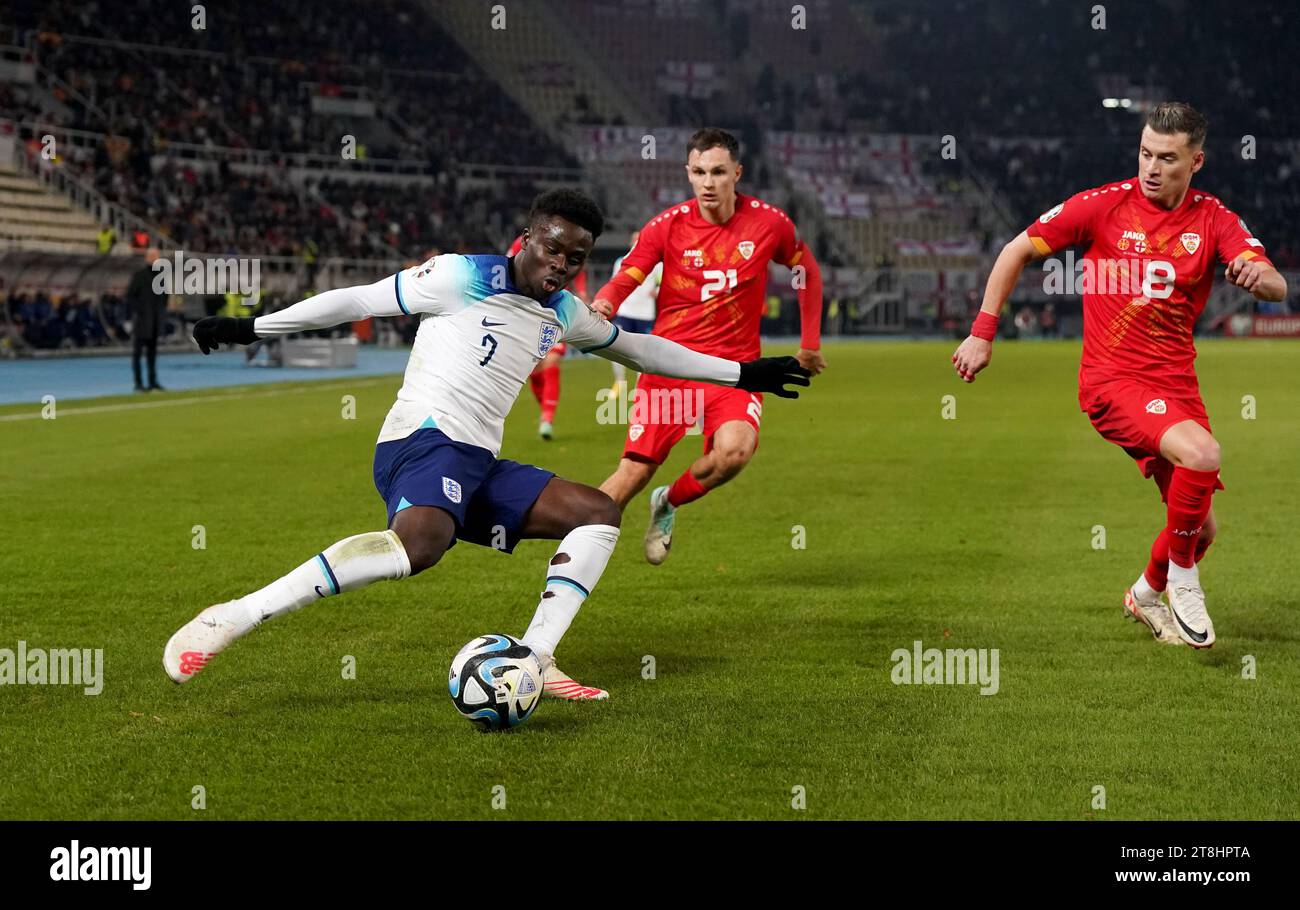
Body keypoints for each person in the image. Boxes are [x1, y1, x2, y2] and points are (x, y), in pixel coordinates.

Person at [164, 189, 811, 700]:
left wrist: (742, 373)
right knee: (422, 546)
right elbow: (356, 298)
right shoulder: (458, 275)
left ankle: (534, 659)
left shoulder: (562, 311)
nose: (561, 265)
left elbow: (641, 349)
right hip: (422, 442)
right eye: (553, 249)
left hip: (476, 461)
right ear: (526, 238)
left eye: (576, 258)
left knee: (597, 512)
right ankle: (236, 616)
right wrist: (253, 325)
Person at [951, 102, 1286, 650]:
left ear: (1196, 161)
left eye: (1167, 159)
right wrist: (983, 332)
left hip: (1177, 387)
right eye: (1145, 153)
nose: (1152, 167)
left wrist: (1258, 275)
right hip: (1113, 381)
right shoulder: (1103, 206)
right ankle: (1181, 581)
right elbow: (1016, 250)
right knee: (1202, 455)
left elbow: (1276, 286)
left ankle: (1146, 593)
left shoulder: (1213, 218)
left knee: (1200, 529)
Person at [592, 128, 826, 565]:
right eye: (699, 172)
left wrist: (809, 344)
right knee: (631, 475)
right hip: (670, 369)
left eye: (718, 172)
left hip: (736, 372)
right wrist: (606, 300)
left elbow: (806, 269)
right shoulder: (667, 226)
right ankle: (571, 561)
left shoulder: (769, 224)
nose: (708, 182)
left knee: (735, 453)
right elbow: (631, 272)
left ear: (737, 173)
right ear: (688, 173)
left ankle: (669, 502)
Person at [507, 233, 587, 440]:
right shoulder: (521, 243)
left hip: (556, 311)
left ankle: (547, 419)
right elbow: (509, 269)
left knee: (552, 362)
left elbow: (579, 266)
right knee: (534, 369)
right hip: (527, 314)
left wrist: (583, 292)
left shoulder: (569, 240)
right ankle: (546, 409)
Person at [606, 230, 662, 398]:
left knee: (643, 353)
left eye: (640, 239)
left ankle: (640, 386)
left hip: (645, 314)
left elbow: (664, 282)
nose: (637, 242)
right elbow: (615, 284)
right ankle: (619, 382)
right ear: (631, 242)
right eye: (634, 240)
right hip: (626, 311)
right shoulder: (621, 262)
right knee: (615, 349)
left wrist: (657, 290)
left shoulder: (657, 264)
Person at [125, 247, 167, 392]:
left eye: (157, 256)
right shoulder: (140, 276)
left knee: (152, 354)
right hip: (142, 322)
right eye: (153, 256)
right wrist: (140, 311)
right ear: (147, 258)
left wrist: (160, 315)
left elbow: (164, 298)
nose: (155, 259)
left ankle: (152, 382)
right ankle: (138, 383)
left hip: (155, 322)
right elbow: (130, 296)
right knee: (137, 354)